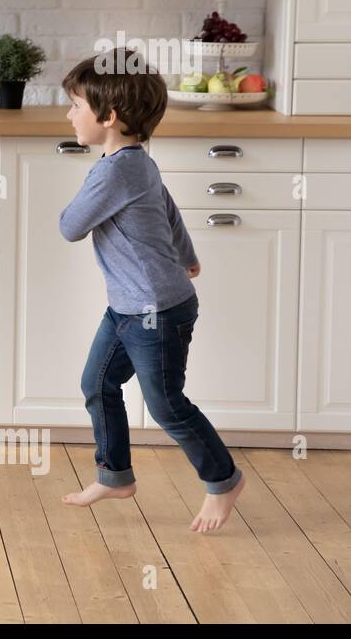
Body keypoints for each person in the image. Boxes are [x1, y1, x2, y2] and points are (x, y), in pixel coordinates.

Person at [58, 49, 245, 533]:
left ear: (109, 117)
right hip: (130, 306)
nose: (69, 114)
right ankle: (115, 476)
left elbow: (70, 226)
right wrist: (187, 255)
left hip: (155, 311)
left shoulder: (114, 170)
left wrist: (89, 183)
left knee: (166, 405)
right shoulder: (138, 161)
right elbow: (169, 211)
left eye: (76, 105)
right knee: (97, 384)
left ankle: (223, 481)